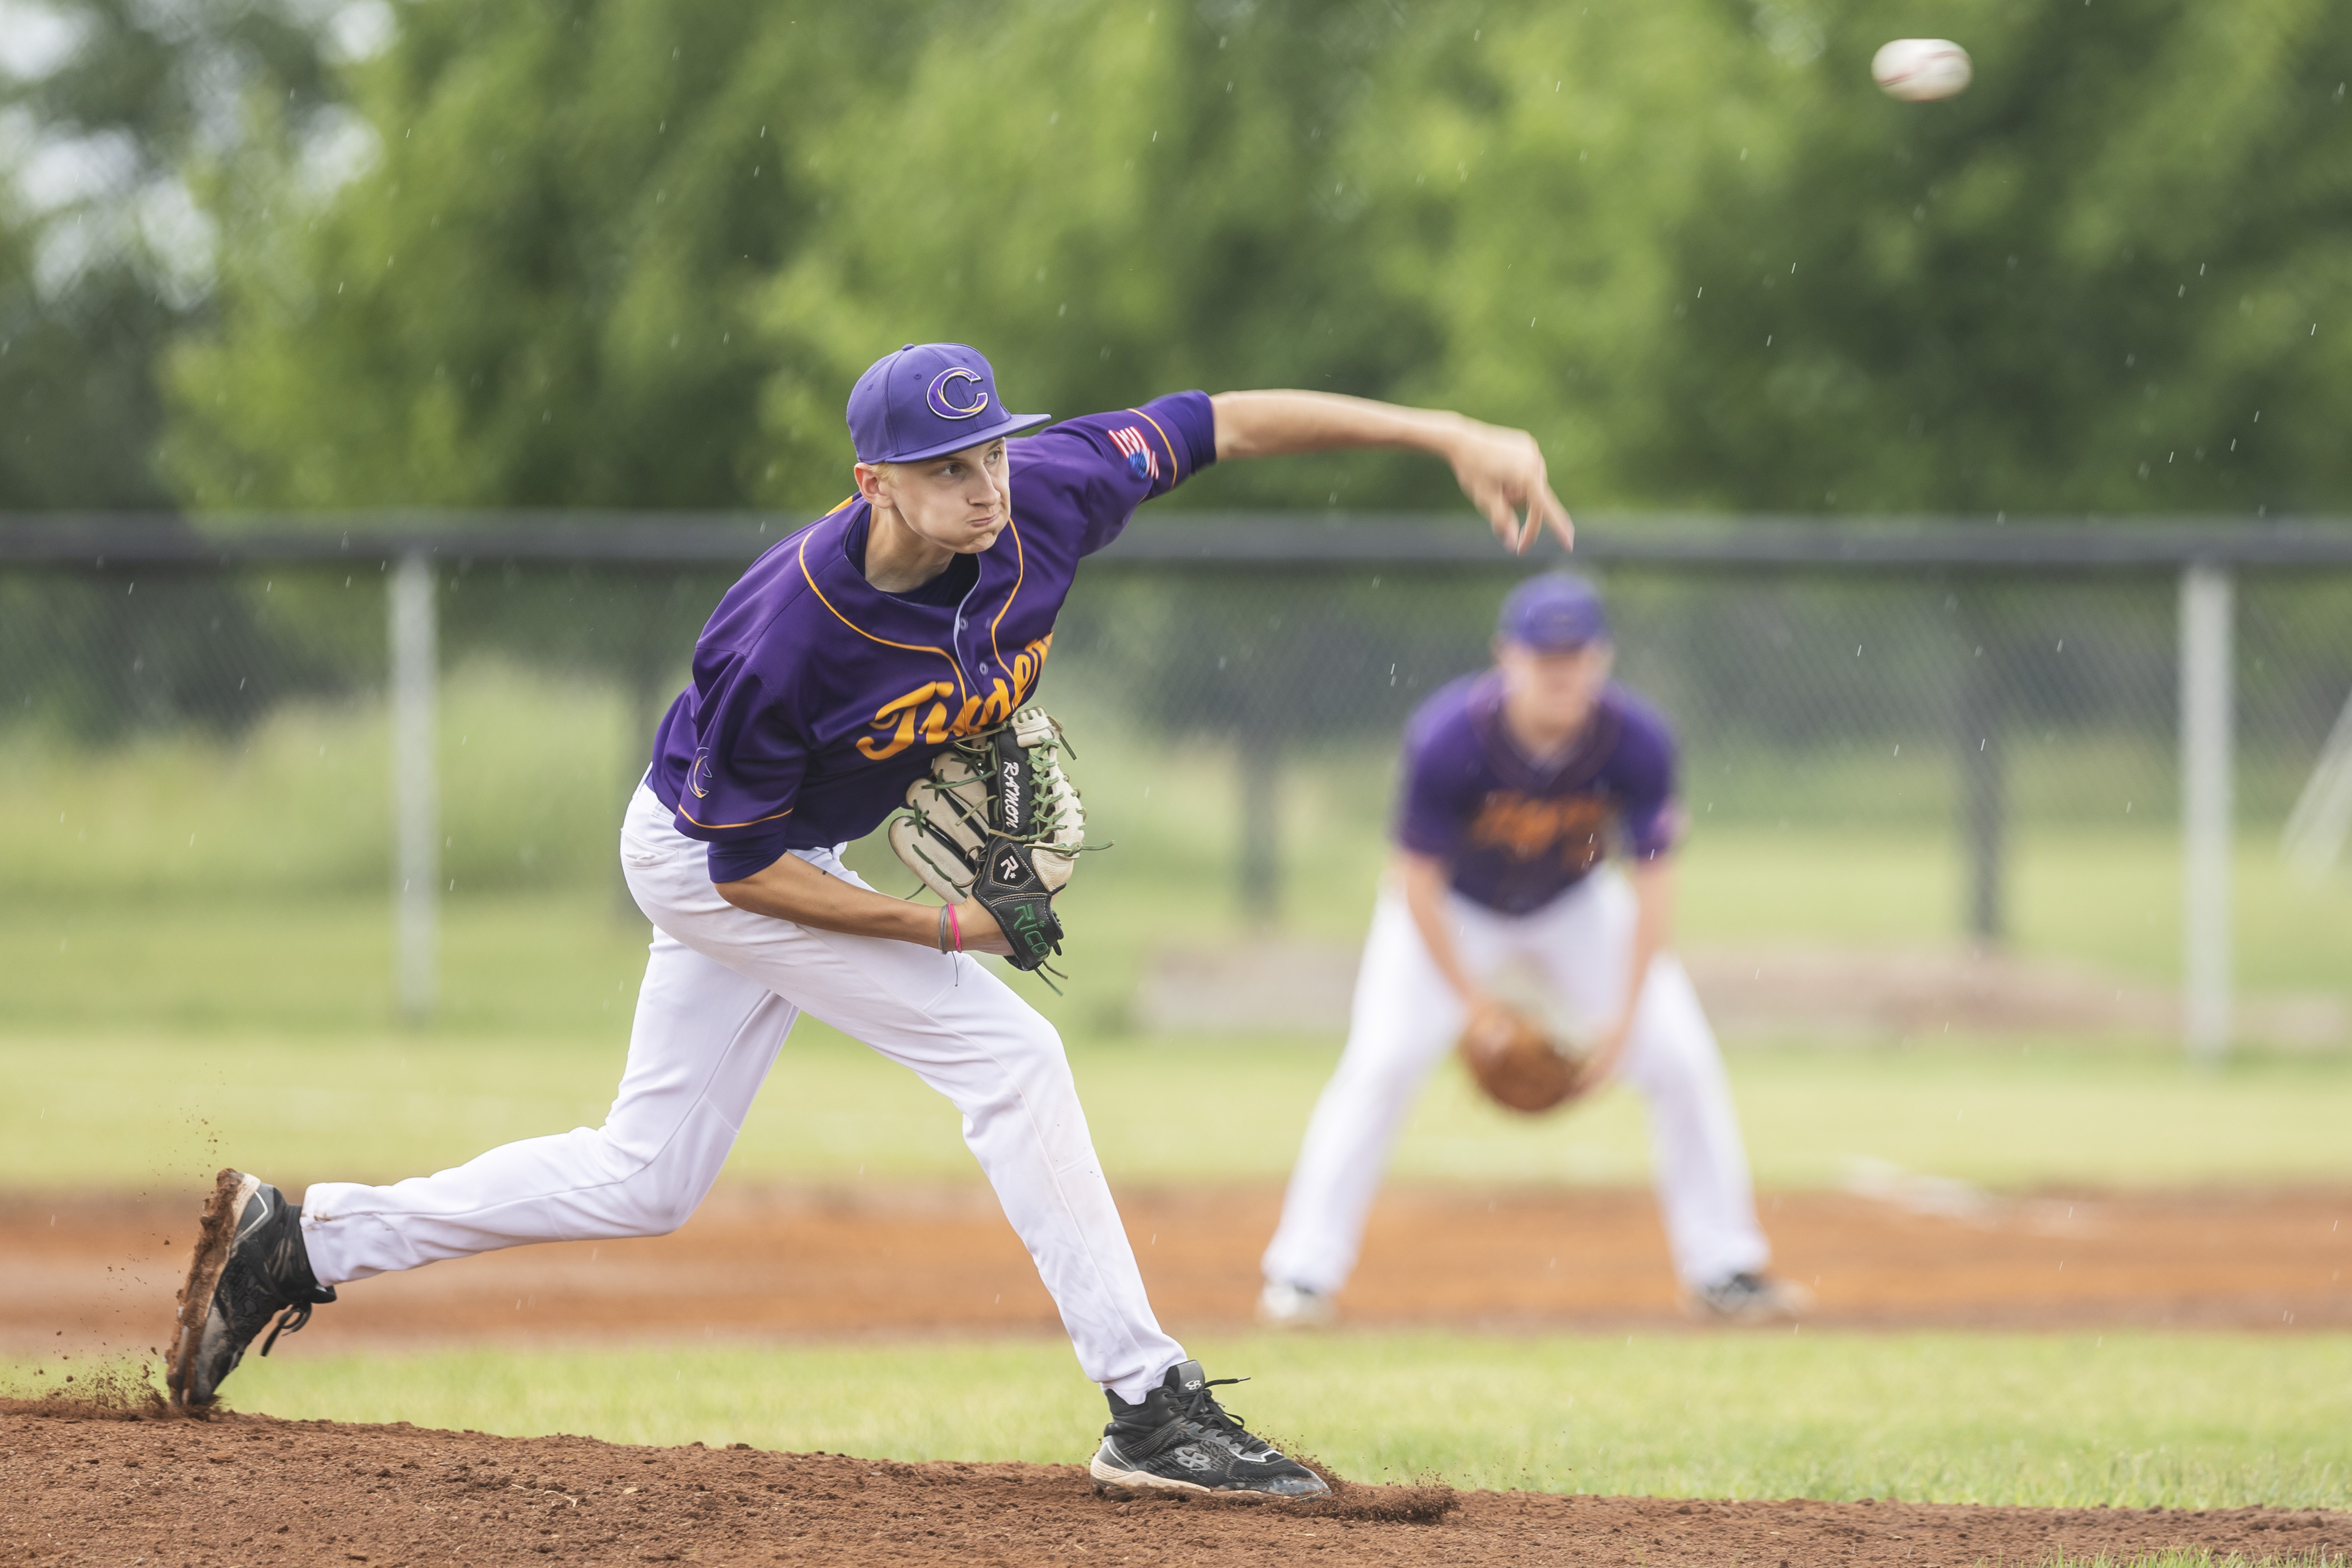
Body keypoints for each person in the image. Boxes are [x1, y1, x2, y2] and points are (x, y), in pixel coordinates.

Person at [169, 342, 1574, 1499]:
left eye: (994, 455)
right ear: (873, 484)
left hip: (793, 848)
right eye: (948, 469)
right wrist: (936, 930)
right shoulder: (778, 633)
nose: (985, 487)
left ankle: (301, 1242)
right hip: (719, 858)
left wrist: (1445, 428)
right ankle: (1153, 1409)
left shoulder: (1054, 496)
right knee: (1011, 1059)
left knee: (648, 1174)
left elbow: (1220, 421)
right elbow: (736, 873)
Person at [1257, 572, 1810, 1329]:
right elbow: (1414, 882)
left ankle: (1723, 1269)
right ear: (1504, 657)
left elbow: (1654, 885)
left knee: (1679, 1056)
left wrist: (1623, 1020)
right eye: (1542, 653)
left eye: (1574, 653)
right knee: (1382, 1061)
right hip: (1453, 909)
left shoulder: (1636, 739)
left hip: (1573, 904)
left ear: (1601, 659)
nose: (1559, 669)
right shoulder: (1450, 735)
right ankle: (1301, 1274)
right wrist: (1475, 1006)